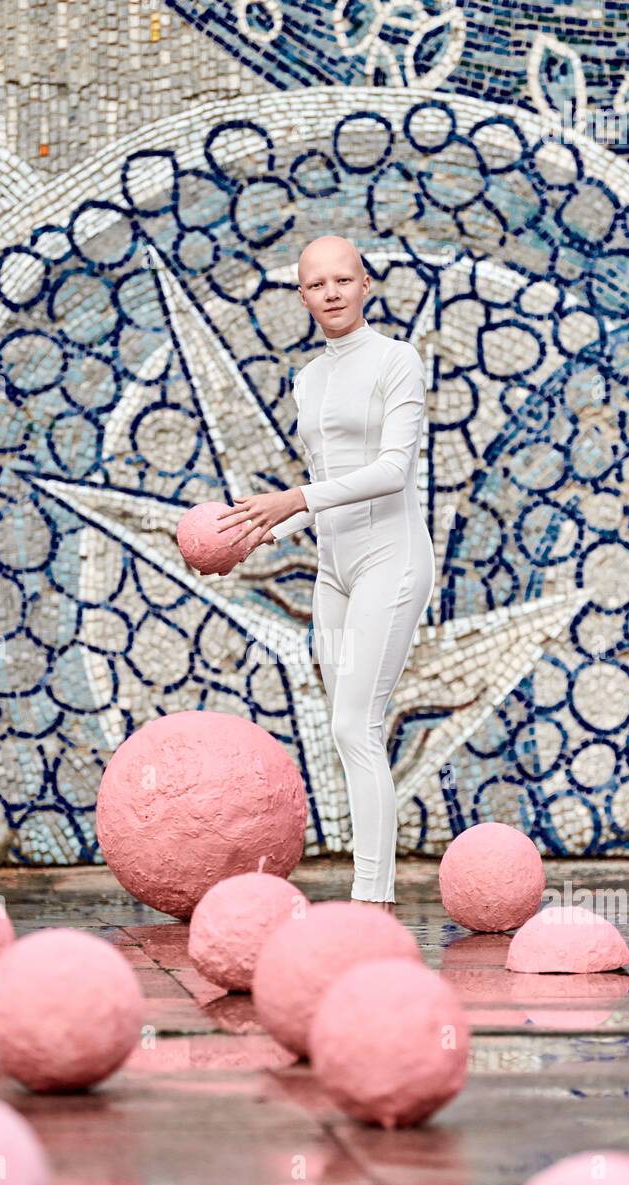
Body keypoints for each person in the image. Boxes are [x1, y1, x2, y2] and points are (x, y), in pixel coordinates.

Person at [216, 235, 435, 910]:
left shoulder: (397, 361)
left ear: (366, 285)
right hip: (333, 571)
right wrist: (264, 530)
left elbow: (392, 470)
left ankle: (372, 898)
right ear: (302, 295)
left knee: (353, 727)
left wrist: (294, 501)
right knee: (350, 727)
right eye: (317, 284)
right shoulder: (307, 379)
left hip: (390, 562)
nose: (332, 293)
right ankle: (369, 886)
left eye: (344, 279)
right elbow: (322, 482)